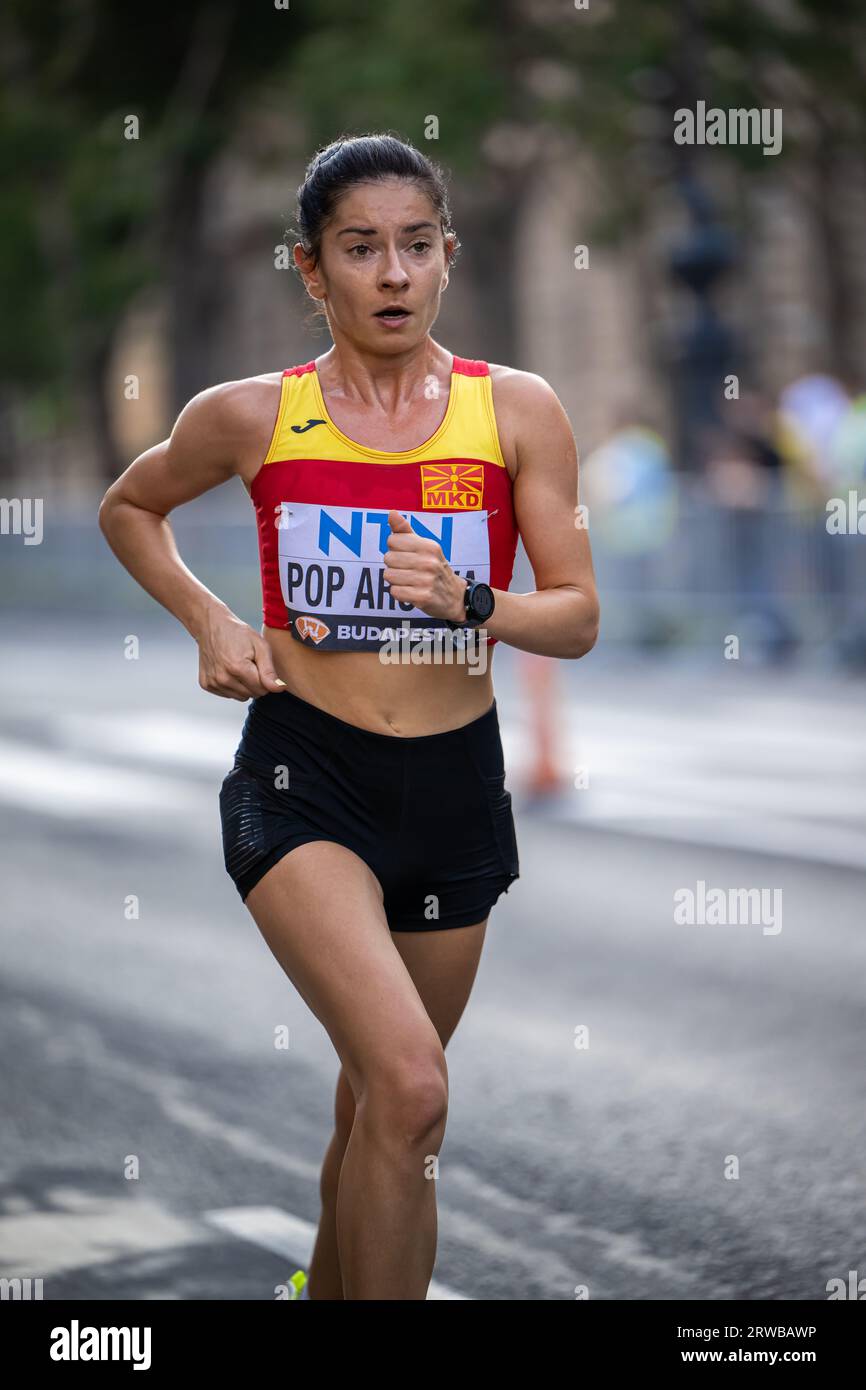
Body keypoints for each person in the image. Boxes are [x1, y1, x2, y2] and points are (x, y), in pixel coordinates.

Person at [98, 132, 599, 1300]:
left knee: (380, 1109)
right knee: (414, 1085)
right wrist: (212, 622)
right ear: (311, 271)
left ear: (446, 258)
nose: (392, 275)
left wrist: (474, 600)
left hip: (451, 788)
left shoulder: (515, 412)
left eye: (415, 247)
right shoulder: (251, 414)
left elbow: (574, 620)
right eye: (360, 250)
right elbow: (132, 507)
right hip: (303, 779)